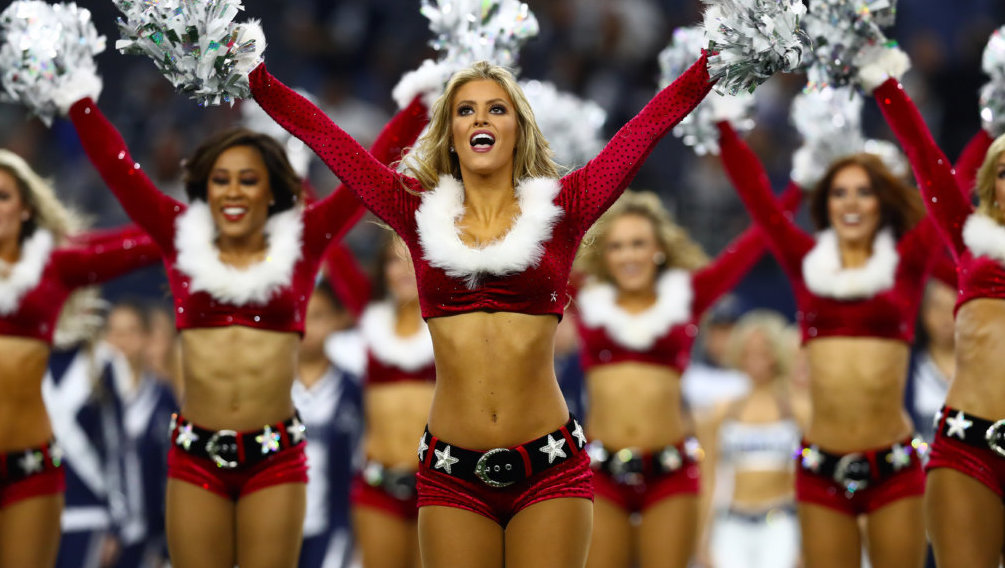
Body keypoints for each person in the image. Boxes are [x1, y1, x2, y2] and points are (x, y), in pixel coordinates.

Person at [249, 50, 718, 567]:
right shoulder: (414, 210)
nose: (480, 119)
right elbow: (329, 139)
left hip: (549, 468)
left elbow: (646, 129)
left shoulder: (566, 207)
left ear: (519, 129)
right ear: (450, 133)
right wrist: (256, 78)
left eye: (497, 109)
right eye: (465, 110)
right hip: (452, 474)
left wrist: (708, 67)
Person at [66, 89, 428, 567]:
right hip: (195, 455)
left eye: (248, 179)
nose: (233, 191)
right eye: (221, 180)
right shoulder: (179, 237)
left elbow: (366, 170)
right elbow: (121, 173)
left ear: (272, 190)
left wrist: (422, 102)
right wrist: (78, 101)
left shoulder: (303, 241)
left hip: (275, 458)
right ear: (204, 188)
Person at [718, 112, 938, 567]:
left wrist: (886, 87)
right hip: (822, 470)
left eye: (864, 191)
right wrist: (722, 126)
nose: (851, 202)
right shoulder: (807, 265)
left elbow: (941, 183)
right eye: (839, 192)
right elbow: (758, 198)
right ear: (826, 203)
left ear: (882, 201)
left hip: (894, 466)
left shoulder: (907, 263)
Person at [572, 189, 798, 568]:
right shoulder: (587, 297)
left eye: (639, 243)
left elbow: (753, 242)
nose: (629, 255)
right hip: (601, 473)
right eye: (617, 246)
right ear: (604, 255)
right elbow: (540, 250)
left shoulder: (687, 297)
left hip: (669, 475)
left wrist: (797, 190)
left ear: (659, 249)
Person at [871, 69, 1005, 567]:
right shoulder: (972, 246)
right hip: (965, 447)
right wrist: (879, 75)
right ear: (991, 187)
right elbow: (924, 156)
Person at [0, 150, 160, 568]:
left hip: (31, 467)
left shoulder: (53, 265)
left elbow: (150, 241)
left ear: (26, 208)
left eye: (2, 196)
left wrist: (207, 220)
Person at [351, 234, 434, 568]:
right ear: (382, 270)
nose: (404, 270)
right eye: (394, 261)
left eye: (413, 260)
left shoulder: (450, 326)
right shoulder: (369, 319)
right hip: (379, 485)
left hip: (438, 486)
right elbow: (331, 251)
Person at [698, 310, 804, 568]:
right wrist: (702, 540)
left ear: (777, 354)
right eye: (748, 351)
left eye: (764, 351)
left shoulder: (797, 410)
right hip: (732, 522)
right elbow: (708, 479)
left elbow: (809, 480)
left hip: (781, 521)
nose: (756, 359)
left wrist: (806, 541)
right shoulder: (722, 412)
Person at [102, 300, 179, 568]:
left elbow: (174, 468)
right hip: (100, 532)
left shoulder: (163, 396)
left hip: (148, 534)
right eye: (113, 331)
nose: (121, 340)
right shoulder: (93, 397)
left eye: (130, 331)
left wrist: (166, 541)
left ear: (147, 338)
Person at [294, 281, 364, 568]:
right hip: (274, 522)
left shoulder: (352, 389)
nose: (307, 327)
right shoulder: (269, 389)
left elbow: (360, 459)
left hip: (332, 526)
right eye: (300, 315)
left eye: (318, 316)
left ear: (337, 319)